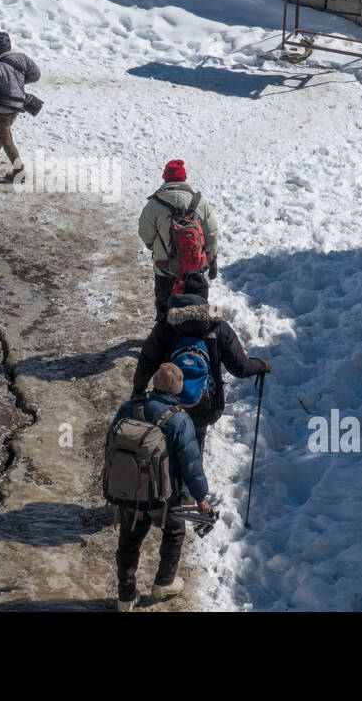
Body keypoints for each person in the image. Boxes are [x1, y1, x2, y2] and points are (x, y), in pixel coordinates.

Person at [131, 272, 270, 453]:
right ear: (205, 297)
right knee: (193, 455)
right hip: (205, 403)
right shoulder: (219, 327)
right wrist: (262, 365)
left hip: (169, 403)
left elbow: (147, 361)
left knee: (166, 452)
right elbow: (240, 367)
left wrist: (138, 390)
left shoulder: (166, 325)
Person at [110, 362, 210, 611]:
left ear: (155, 383)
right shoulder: (180, 420)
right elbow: (191, 464)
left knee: (129, 542)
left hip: (129, 491)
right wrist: (201, 497)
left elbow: (110, 444)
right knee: (174, 533)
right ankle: (164, 582)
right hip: (164, 497)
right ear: (178, 389)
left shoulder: (129, 407)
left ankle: (126, 596)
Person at [138, 159, 220, 316]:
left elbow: (145, 233)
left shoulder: (155, 203)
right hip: (193, 265)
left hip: (165, 267)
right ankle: (198, 332)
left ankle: (164, 335)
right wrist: (213, 258)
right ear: (184, 179)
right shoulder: (199, 202)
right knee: (198, 306)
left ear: (165, 179)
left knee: (164, 307)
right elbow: (212, 233)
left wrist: (151, 245)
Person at [0, 31, 41, 180]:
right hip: (18, 106)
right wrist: (18, 85)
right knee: (3, 133)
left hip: (1, 110)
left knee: (6, 139)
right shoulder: (22, 58)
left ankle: (19, 171)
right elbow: (36, 74)